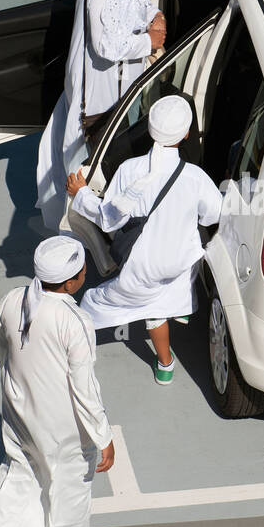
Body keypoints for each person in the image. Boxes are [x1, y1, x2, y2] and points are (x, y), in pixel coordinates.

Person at [0, 236, 129, 527]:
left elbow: (1, 353)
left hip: (19, 414)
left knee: (19, 474)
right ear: (72, 280)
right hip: (61, 426)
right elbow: (84, 388)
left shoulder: (12, 299)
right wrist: (103, 435)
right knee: (69, 484)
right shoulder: (75, 319)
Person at [65, 95, 223, 385]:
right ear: (187, 134)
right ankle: (169, 345)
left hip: (142, 267)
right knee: (158, 306)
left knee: (92, 304)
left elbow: (109, 218)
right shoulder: (196, 176)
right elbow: (213, 215)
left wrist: (82, 192)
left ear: (149, 129)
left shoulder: (130, 170)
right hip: (178, 264)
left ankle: (68, 349)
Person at [36, 0, 166, 231]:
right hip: (96, 95)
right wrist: (148, 41)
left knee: (114, 144)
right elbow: (105, 44)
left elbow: (139, 6)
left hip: (121, 87)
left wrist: (156, 16)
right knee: (85, 158)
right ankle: (80, 225)